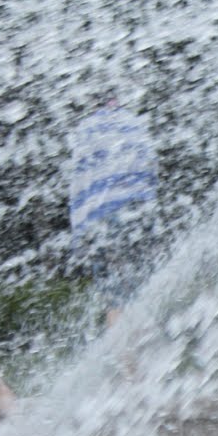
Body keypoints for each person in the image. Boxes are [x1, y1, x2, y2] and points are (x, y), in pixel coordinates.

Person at [67, 95, 161, 326]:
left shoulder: (83, 131)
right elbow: (150, 174)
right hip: (136, 216)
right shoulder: (135, 123)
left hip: (99, 222)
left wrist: (79, 236)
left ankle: (129, 362)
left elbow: (79, 188)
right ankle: (147, 354)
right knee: (142, 294)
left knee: (116, 300)